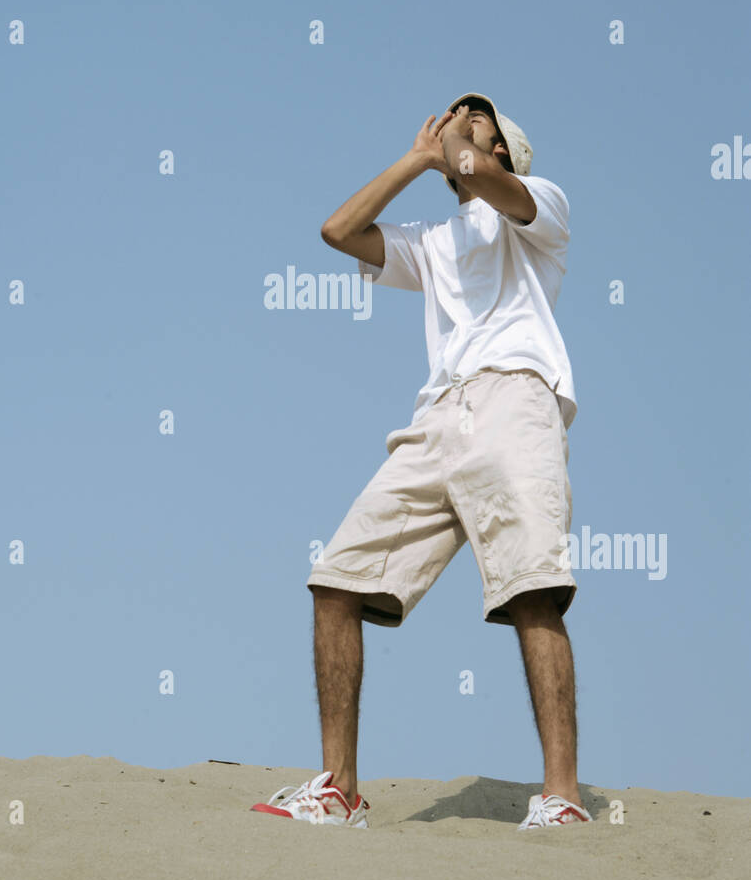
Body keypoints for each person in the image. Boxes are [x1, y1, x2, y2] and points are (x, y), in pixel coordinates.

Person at [251, 93, 591, 831]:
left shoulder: (541, 206)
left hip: (516, 400)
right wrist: (416, 159)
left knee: (532, 590)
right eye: (457, 114)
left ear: (506, 150)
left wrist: (456, 157)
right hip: (437, 417)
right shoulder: (435, 240)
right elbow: (337, 230)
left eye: (480, 119)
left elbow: (487, 181)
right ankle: (339, 789)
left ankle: (561, 797)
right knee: (335, 583)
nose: (461, 119)